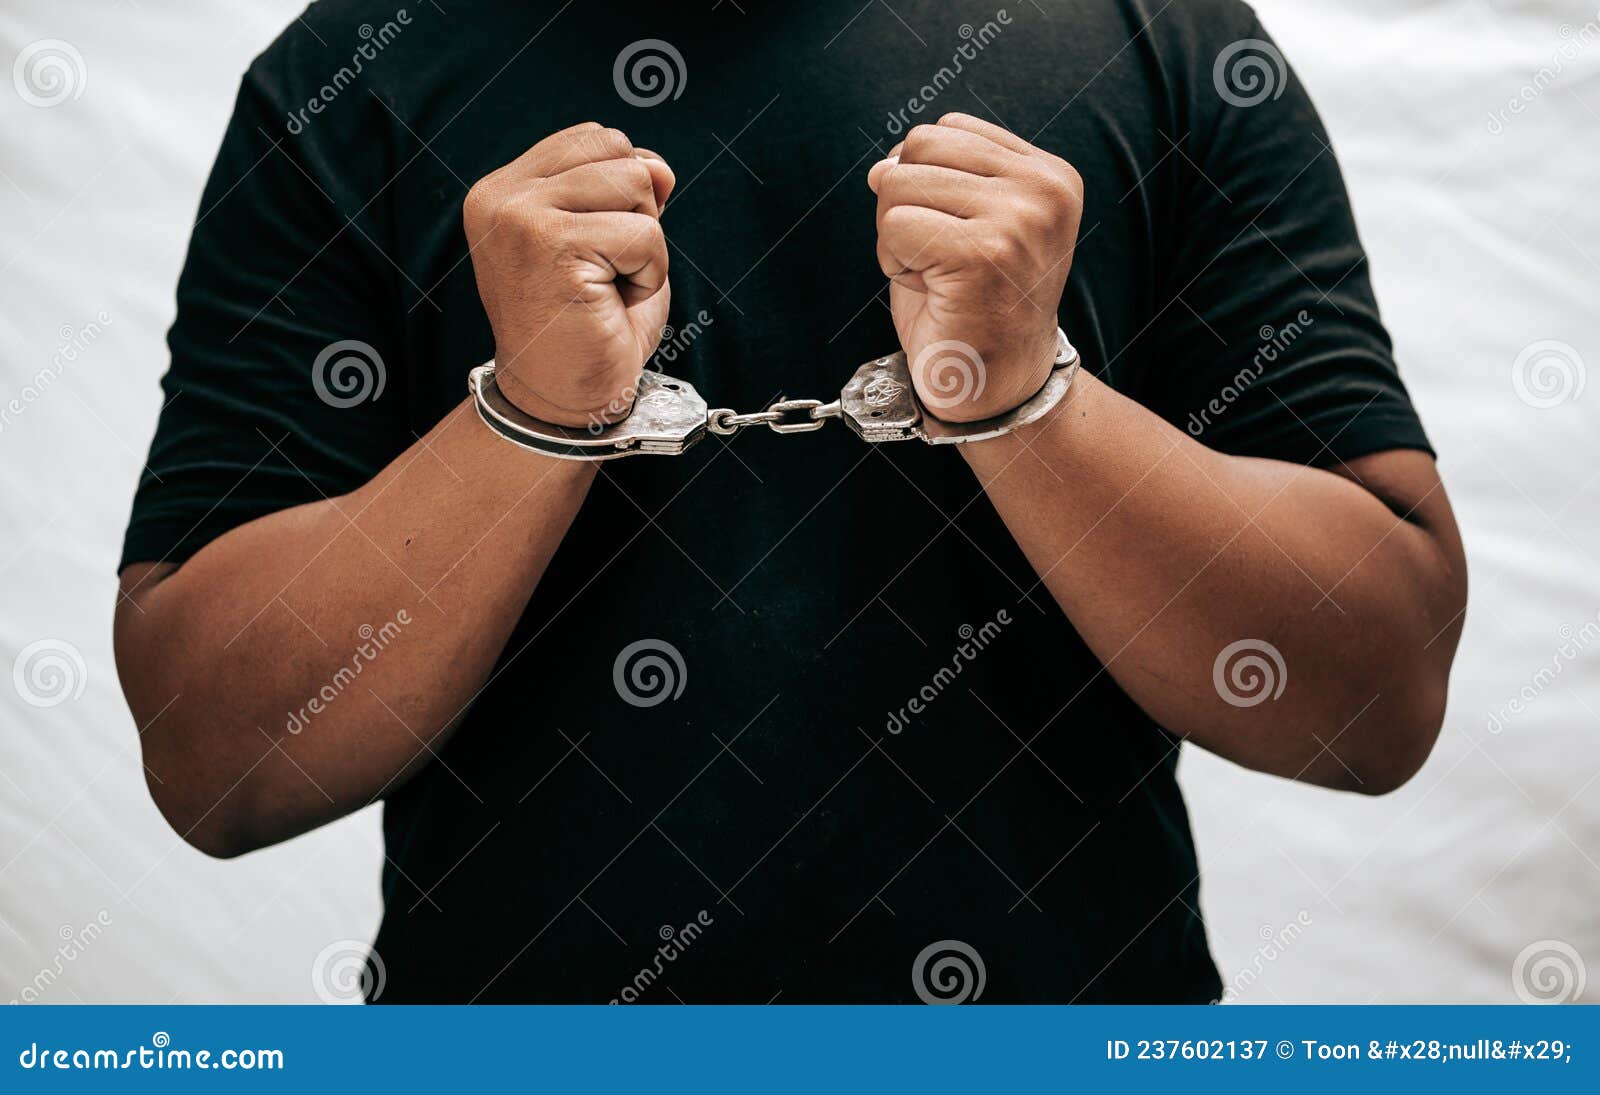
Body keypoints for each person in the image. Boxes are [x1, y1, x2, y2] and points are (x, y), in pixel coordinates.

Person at [113, 0, 1466, 1003]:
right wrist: (525, 418)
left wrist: (1024, 397)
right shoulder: (350, 76)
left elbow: (1375, 694)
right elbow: (217, 760)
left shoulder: (1162, 46)